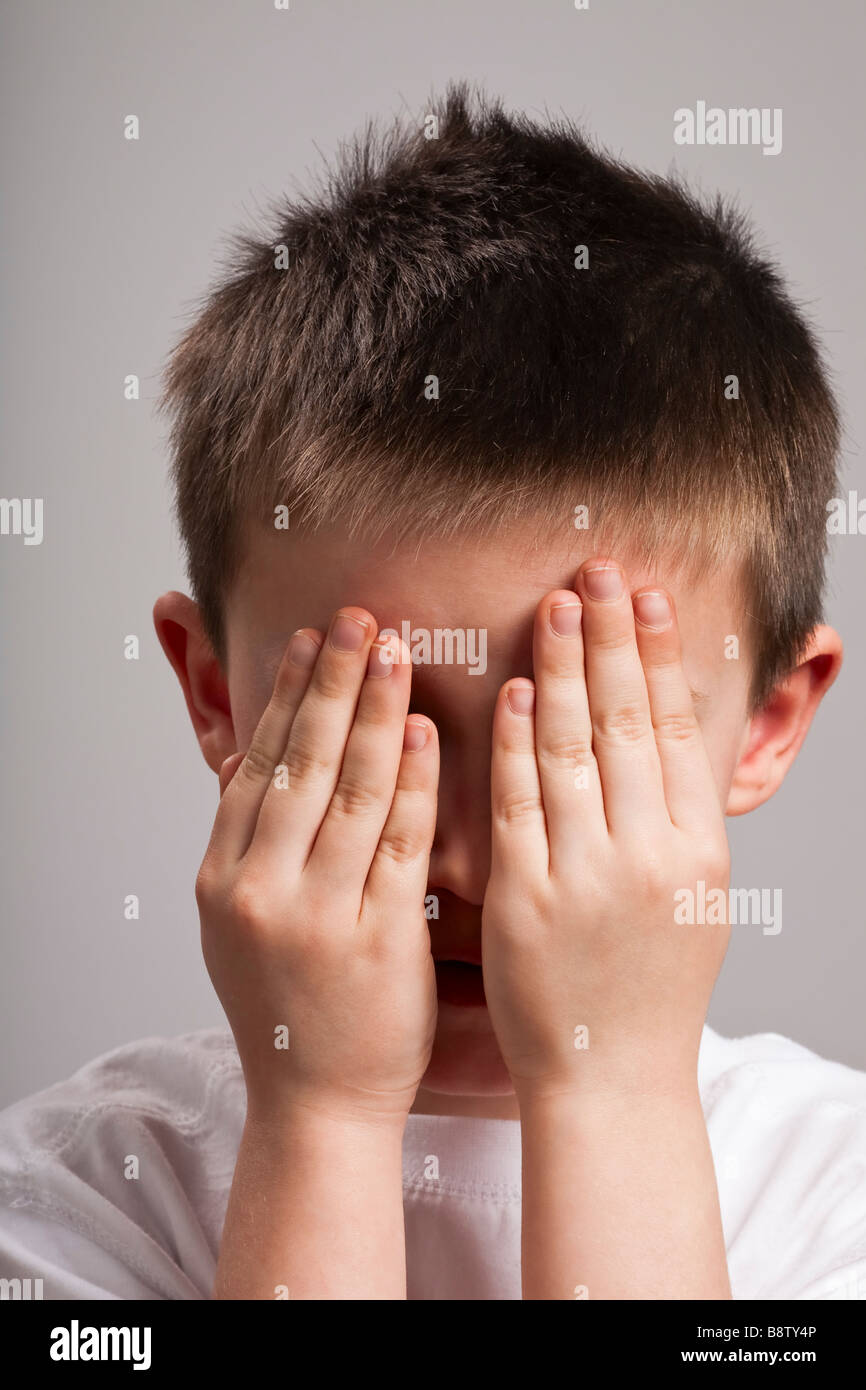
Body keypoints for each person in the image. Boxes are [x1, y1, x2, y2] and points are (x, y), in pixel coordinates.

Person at [1, 84, 863, 1301]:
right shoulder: (74, 1195)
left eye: (571, 741)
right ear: (214, 690)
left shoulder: (831, 1195)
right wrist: (322, 1121)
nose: (460, 858)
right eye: (381, 732)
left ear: (766, 721)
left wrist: (609, 1085)